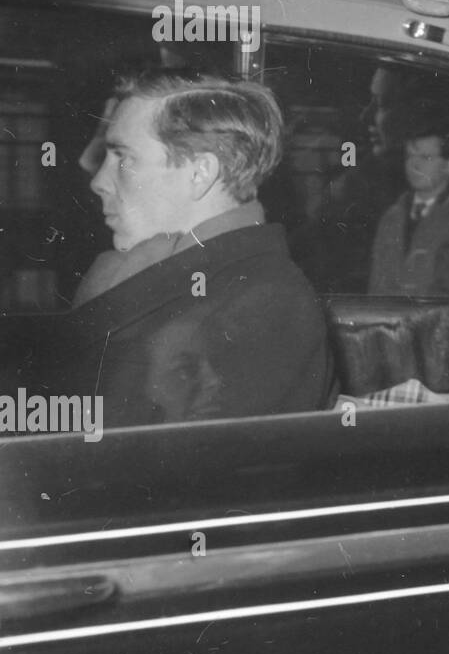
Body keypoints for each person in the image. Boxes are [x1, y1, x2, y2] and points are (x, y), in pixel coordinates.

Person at [58, 74, 337, 427]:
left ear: (200, 173)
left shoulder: (264, 308)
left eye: (123, 158)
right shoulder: (155, 273)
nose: (99, 181)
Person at [367, 105, 449, 300]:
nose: (413, 164)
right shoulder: (392, 215)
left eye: (426, 157)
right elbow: (375, 286)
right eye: (409, 156)